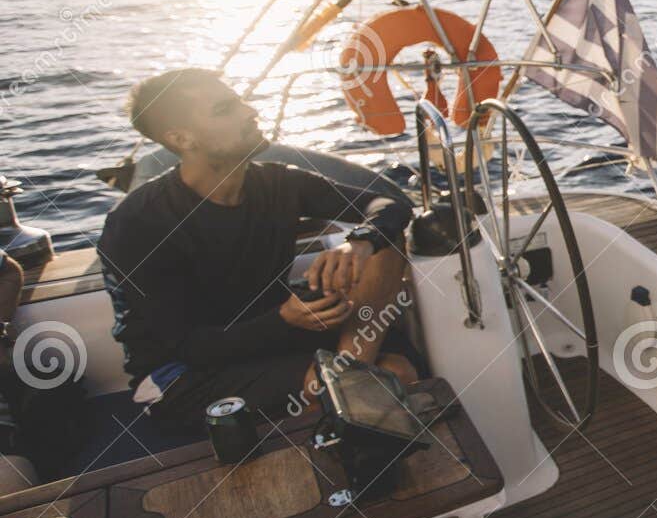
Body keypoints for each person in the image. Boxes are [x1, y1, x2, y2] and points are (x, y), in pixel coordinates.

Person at [97, 68, 418, 434]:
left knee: (385, 244)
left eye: (241, 102)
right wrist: (284, 320)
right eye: (225, 109)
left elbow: (386, 205)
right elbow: (184, 345)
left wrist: (360, 241)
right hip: (182, 376)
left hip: (269, 335)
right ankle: (345, 389)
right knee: (392, 379)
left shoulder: (277, 182)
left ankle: (345, 375)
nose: (250, 112)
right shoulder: (138, 223)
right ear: (182, 138)